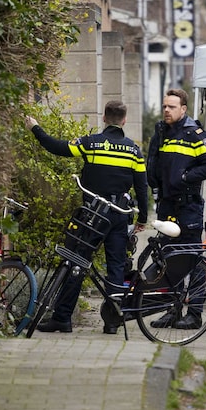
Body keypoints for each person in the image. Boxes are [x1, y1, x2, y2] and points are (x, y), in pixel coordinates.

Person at [26, 100, 149, 334]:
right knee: (116, 267)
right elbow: (142, 187)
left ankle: (62, 318)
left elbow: (57, 147)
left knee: (77, 262)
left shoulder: (91, 143)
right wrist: (142, 218)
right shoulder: (134, 151)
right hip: (119, 216)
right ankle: (112, 322)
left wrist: (35, 128)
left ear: (104, 118)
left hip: (93, 215)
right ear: (124, 121)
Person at [146, 88, 206, 329]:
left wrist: (186, 177)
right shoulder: (161, 132)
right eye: (165, 106)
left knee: (191, 259)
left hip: (188, 206)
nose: (167, 110)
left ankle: (194, 314)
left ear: (183, 109)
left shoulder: (194, 134)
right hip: (167, 205)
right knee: (168, 259)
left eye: (172, 107)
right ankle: (172, 309)